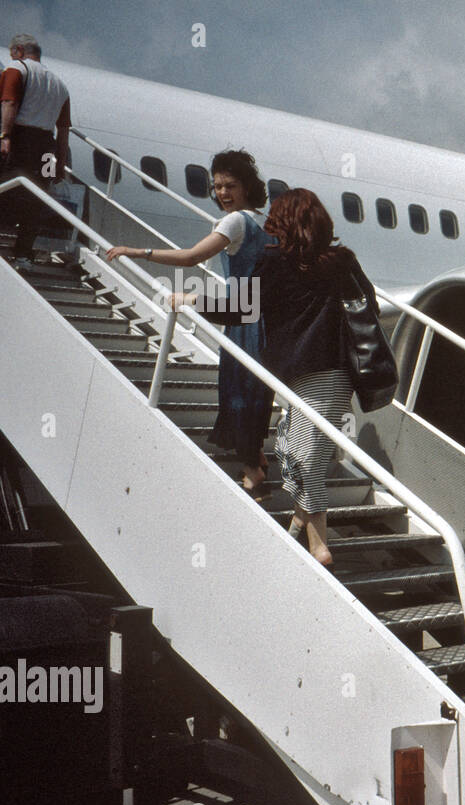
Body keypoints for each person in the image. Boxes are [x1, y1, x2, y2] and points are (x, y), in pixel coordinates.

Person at [174, 189, 362, 569]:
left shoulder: (276, 260)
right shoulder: (340, 260)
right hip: (328, 371)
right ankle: (298, 526)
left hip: (315, 370)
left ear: (283, 223)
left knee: (304, 457)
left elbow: (240, 309)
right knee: (294, 449)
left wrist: (193, 299)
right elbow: (365, 304)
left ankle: (320, 547)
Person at [108, 150, 274, 498]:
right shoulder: (266, 223)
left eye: (230, 185)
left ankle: (253, 473)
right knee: (254, 393)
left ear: (246, 186)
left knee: (237, 392)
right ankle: (256, 460)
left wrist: (138, 252)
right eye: (218, 186)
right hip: (263, 319)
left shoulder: (234, 222)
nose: (223, 193)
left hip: (242, 319)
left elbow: (191, 257)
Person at [0, 34, 71, 265]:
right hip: (48, 147)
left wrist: (5, 135)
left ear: (19, 50)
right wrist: (60, 165)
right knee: (38, 197)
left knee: (5, 187)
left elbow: (9, 102)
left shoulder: (16, 69)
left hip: (20, 138)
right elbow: (64, 130)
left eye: (12, 53)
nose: (12, 57)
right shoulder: (60, 85)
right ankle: (23, 254)